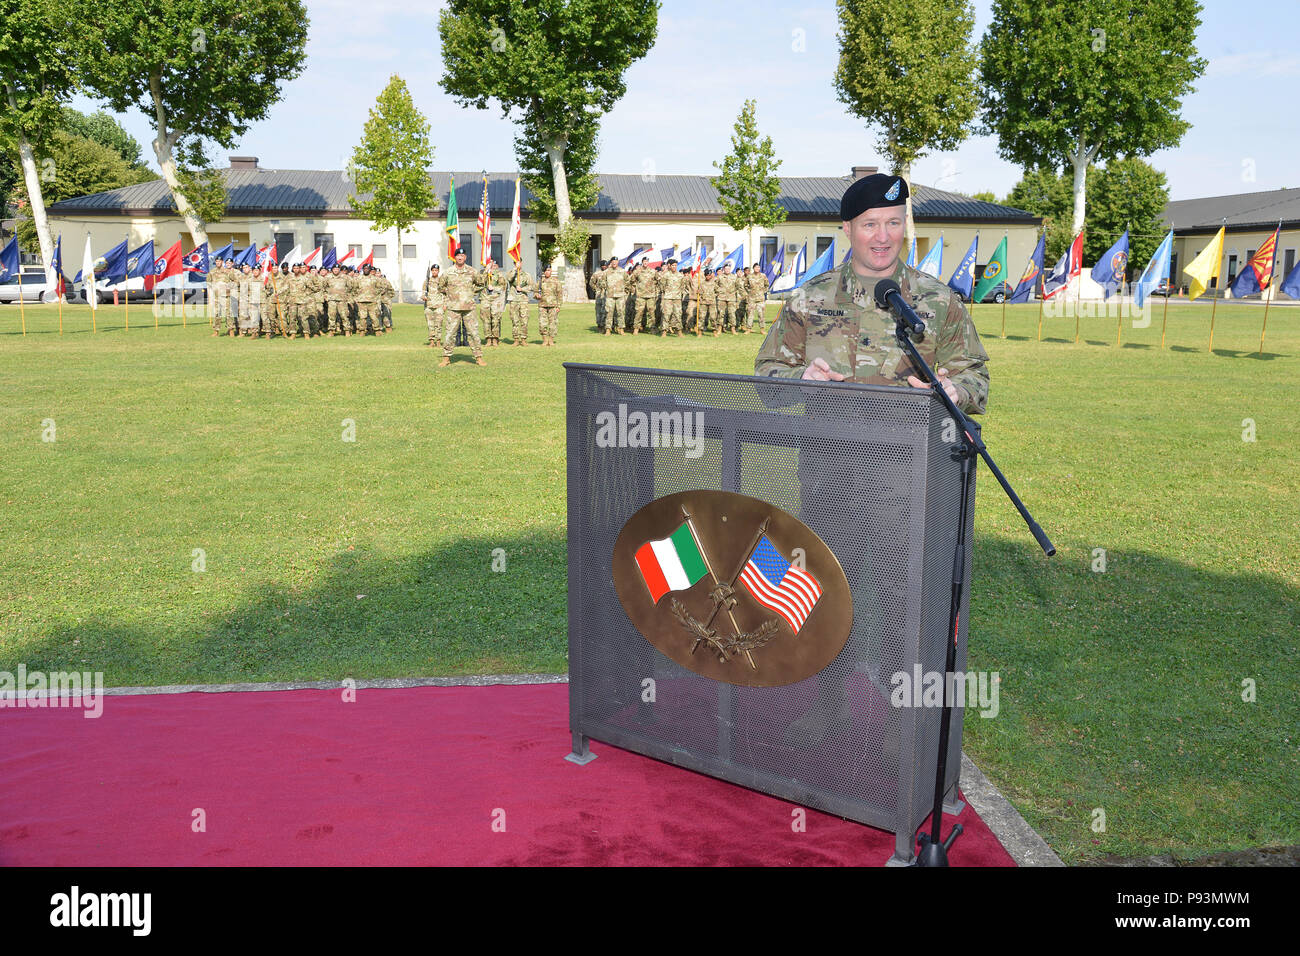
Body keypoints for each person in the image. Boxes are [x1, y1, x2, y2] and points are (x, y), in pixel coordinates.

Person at [753, 172, 990, 746]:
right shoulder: (808, 301)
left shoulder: (936, 301)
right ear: (847, 230)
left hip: (906, 482)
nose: (881, 237)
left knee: (904, 598)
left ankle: (897, 723)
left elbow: (976, 379)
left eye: (892, 224)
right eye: (869, 225)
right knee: (828, 592)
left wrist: (948, 392)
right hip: (829, 474)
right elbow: (766, 379)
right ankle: (830, 705)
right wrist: (800, 376)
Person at [438, 248, 486, 366]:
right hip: (453, 308)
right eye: (458, 256)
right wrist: (450, 294)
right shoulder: (448, 272)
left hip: (469, 308)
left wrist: (471, 291)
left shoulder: (472, 271)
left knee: (473, 333)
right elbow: (440, 287)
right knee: (450, 333)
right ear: (455, 257)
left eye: (462, 255)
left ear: (465, 257)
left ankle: (478, 357)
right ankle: (446, 358)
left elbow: (481, 284)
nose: (460, 257)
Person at [506, 259, 535, 345]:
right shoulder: (511, 273)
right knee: (514, 320)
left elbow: (531, 286)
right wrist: (515, 269)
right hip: (513, 299)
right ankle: (515, 339)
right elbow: (509, 279)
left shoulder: (526, 275)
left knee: (524, 320)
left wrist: (522, 289)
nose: (518, 264)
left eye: (519, 262)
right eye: (516, 263)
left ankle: (523, 339)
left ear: (521, 263)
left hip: (523, 300)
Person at [657, 259, 686, 336]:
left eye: (675, 265)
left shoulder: (680, 275)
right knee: (666, 314)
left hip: (677, 298)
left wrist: (679, 294)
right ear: (670, 266)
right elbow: (662, 286)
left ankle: (679, 331)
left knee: (678, 314)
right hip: (668, 298)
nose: (674, 267)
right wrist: (667, 293)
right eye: (673, 265)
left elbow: (682, 286)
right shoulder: (666, 275)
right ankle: (664, 331)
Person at [536, 265, 562, 346]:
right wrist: (536, 295)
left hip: (553, 305)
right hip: (542, 305)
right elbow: (535, 291)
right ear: (544, 272)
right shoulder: (540, 281)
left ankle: (551, 340)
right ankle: (544, 340)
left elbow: (559, 294)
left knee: (553, 323)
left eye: (549, 270)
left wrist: (559, 306)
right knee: (542, 323)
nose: (548, 272)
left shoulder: (556, 281)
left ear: (551, 271)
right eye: (546, 270)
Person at [422, 264, 445, 347]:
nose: (434, 272)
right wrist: (423, 297)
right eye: (433, 270)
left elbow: (445, 293)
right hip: (429, 306)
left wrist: (445, 305)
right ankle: (432, 341)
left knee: (438, 325)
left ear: (438, 271)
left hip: (439, 306)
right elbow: (423, 292)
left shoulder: (441, 281)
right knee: (430, 325)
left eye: (436, 270)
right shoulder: (427, 281)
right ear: (431, 271)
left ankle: (438, 341)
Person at [603, 259, 627, 335]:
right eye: (613, 261)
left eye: (616, 261)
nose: (614, 263)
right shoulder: (606, 272)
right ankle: (608, 329)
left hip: (620, 295)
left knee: (621, 312)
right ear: (611, 263)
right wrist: (605, 288)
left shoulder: (622, 271)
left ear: (618, 262)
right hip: (610, 296)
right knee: (609, 313)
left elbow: (628, 281)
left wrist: (625, 291)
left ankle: (621, 328)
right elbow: (602, 282)